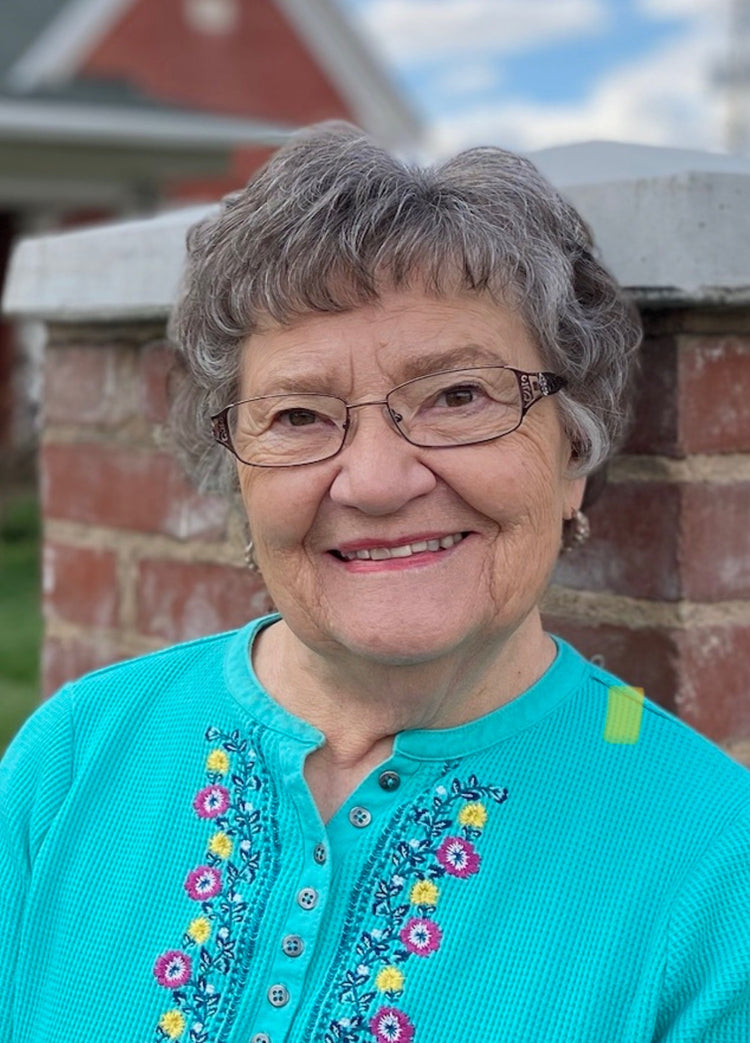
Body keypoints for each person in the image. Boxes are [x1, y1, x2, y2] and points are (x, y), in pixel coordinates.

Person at [1, 123, 749, 1043]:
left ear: (574, 453)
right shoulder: (75, 756)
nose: (377, 481)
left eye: (459, 396)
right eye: (299, 414)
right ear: (236, 470)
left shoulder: (718, 866)